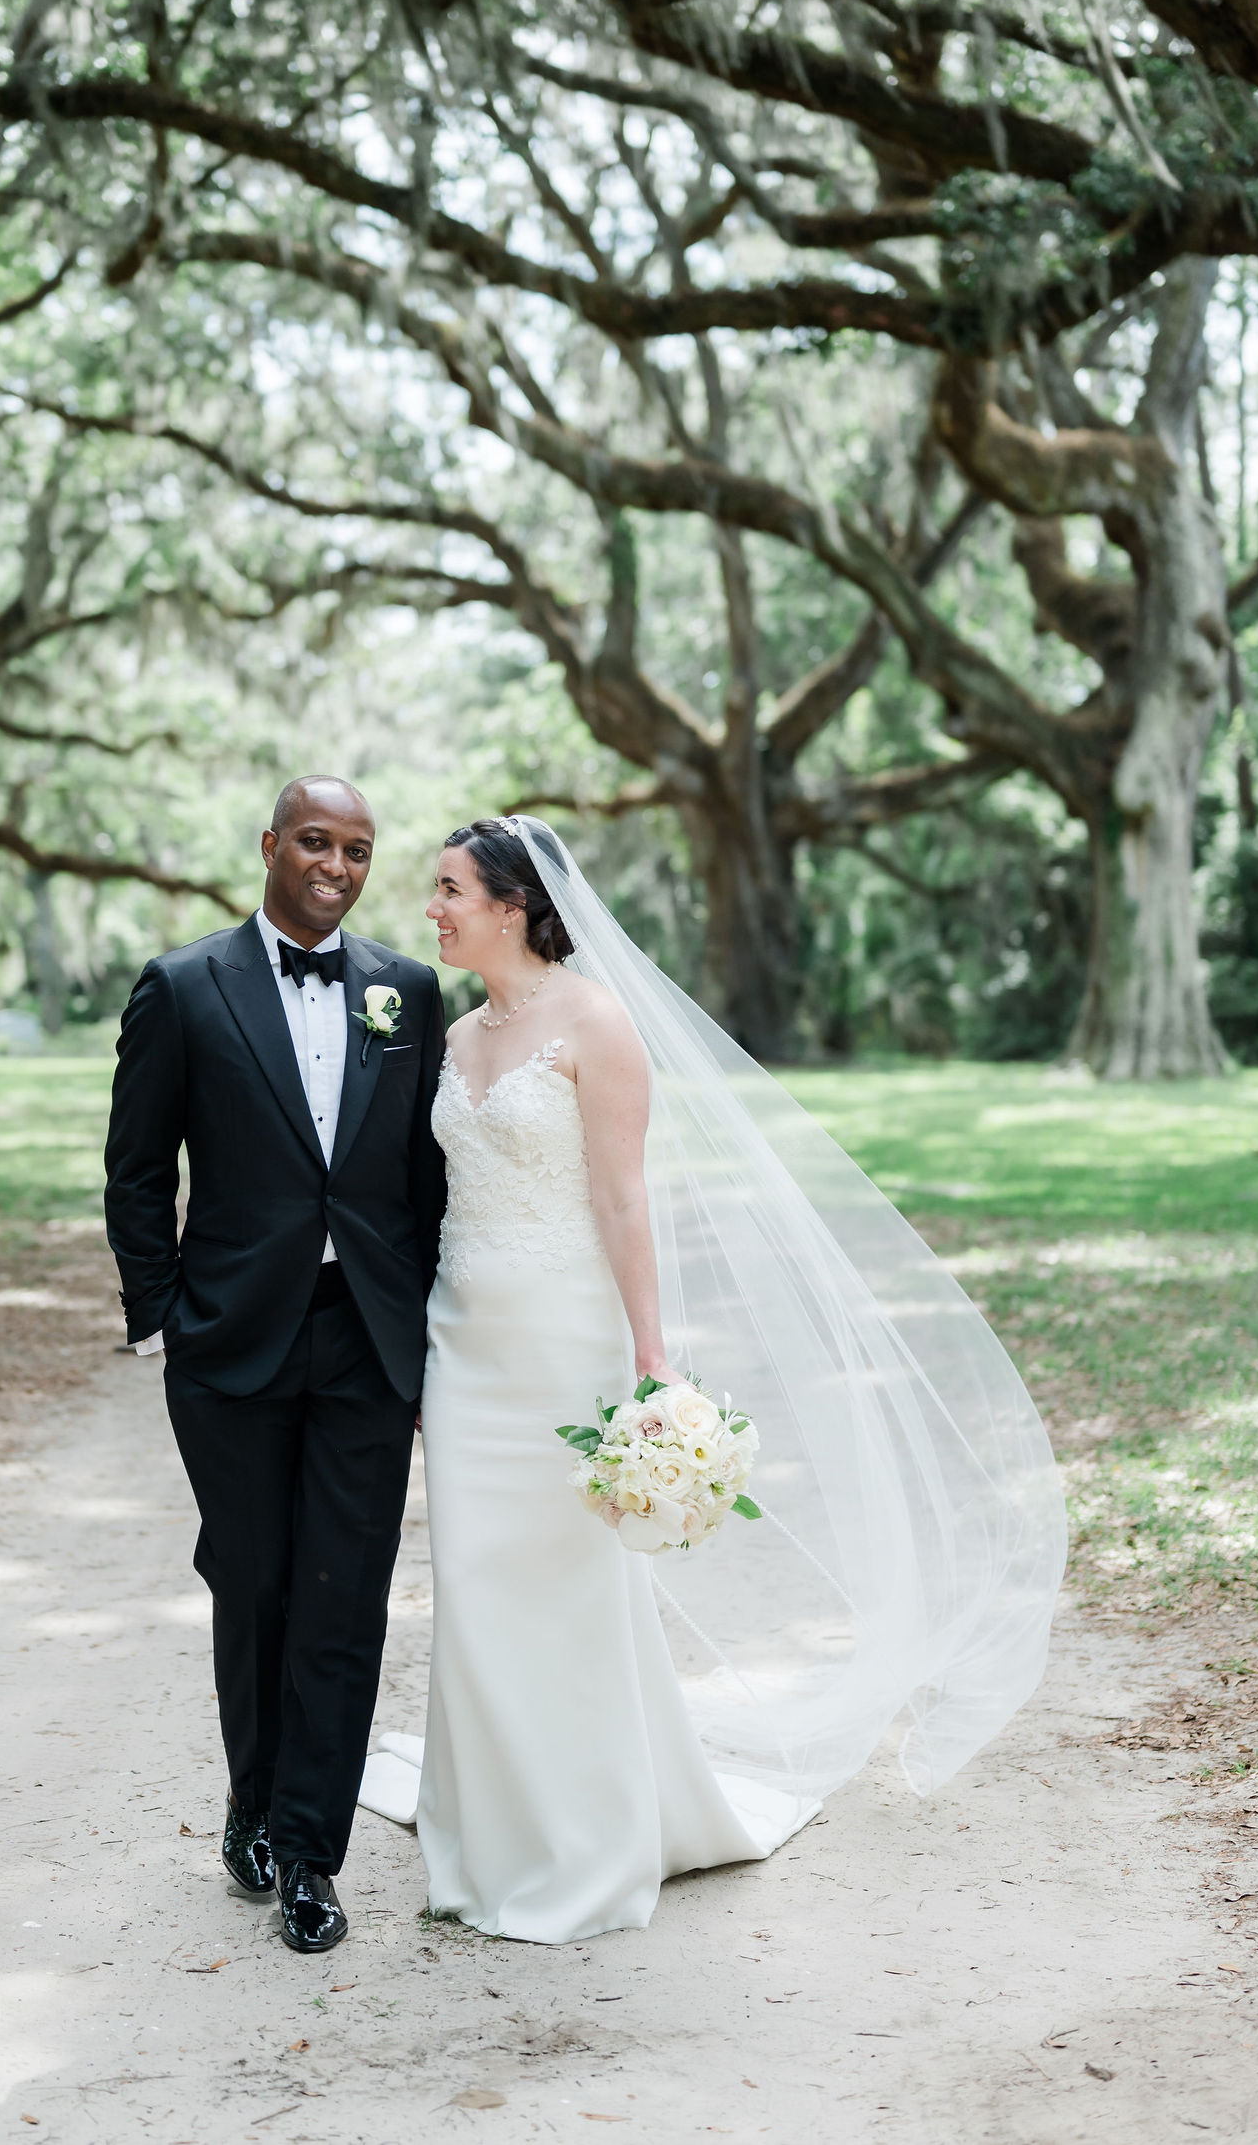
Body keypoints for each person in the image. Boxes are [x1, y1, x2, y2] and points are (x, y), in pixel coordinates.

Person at [360, 815, 1065, 1944]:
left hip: (561, 1340)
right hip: (465, 1341)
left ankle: (587, 1842)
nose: (429, 909)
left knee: (569, 1583)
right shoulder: (454, 1032)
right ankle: (483, 1829)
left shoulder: (594, 1021)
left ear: (510, 902)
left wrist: (649, 1358)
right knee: (476, 1584)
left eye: (447, 888)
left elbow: (623, 1199)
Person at [103, 777, 446, 1954]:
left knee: (342, 1601)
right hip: (230, 1340)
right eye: (314, 840)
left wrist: (430, 1323)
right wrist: (161, 1317)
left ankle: (309, 1852)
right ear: (267, 844)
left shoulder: (408, 990)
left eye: (356, 848)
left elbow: (422, 1177)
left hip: (367, 1336)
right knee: (252, 1584)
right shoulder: (184, 987)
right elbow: (139, 1169)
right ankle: (251, 1797)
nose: (335, 865)